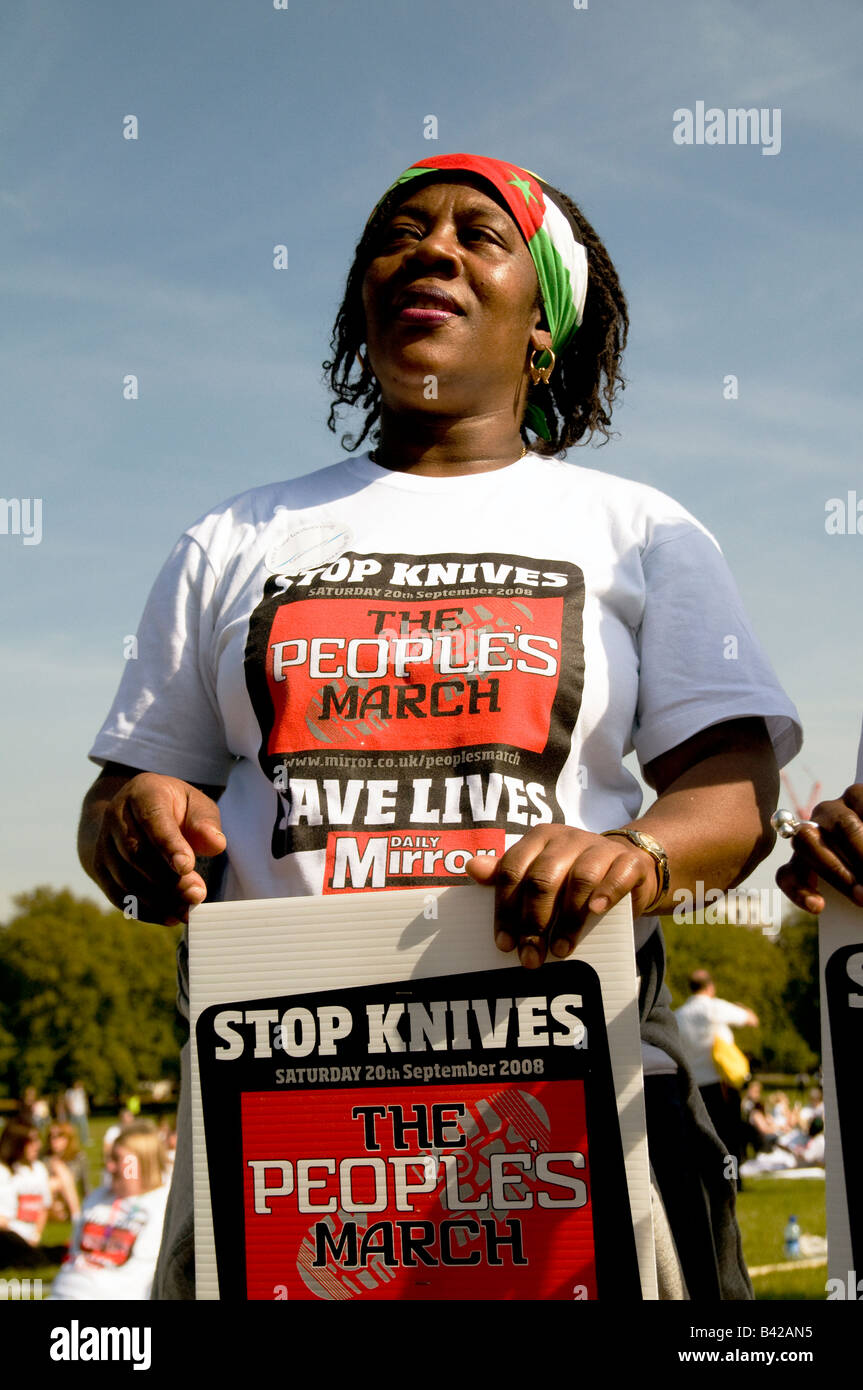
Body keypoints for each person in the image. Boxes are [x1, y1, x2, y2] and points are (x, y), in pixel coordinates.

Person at [78, 152, 802, 1301]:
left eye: (479, 234)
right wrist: (138, 822)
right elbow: (119, 802)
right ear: (362, 304)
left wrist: (636, 853)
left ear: (541, 328)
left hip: (569, 1078)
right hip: (282, 1112)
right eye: (401, 232)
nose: (432, 248)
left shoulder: (641, 529)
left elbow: (733, 790)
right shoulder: (233, 535)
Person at [49, 1123, 170, 1301]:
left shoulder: (163, 1206)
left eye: (117, 1159)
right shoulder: (97, 1198)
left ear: (142, 1162)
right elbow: (74, 1255)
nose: (109, 1166)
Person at [674, 969, 758, 1186]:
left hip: (694, 1084)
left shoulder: (679, 1016)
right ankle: (732, 1179)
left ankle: (708, 1179)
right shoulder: (715, 1008)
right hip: (720, 1084)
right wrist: (743, 1009)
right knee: (729, 1135)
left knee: (702, 1134)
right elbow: (750, 1020)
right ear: (710, 987)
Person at [0, 1121, 68, 1269]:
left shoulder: (39, 1169)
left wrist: (35, 1235)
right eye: (31, 1141)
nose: (37, 1145)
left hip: (26, 1240)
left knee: (40, 1255)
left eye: (37, 1140)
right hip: (7, 1235)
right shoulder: (4, 1171)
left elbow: (43, 1208)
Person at [44, 1123, 88, 1221]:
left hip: (65, 1202)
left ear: (68, 1138)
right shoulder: (45, 1159)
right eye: (51, 1137)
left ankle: (72, 1213)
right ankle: (76, 1214)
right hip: (48, 1199)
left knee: (60, 1173)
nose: (54, 1141)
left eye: (59, 1136)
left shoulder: (78, 1158)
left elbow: (85, 1185)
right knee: (57, 1178)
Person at [64, 1081, 90, 1148]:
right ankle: (69, 1140)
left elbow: (84, 1101)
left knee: (84, 1127)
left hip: (81, 1112)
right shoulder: (70, 1092)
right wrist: (71, 1110)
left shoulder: (81, 1091)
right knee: (71, 1128)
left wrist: (86, 1109)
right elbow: (68, 1102)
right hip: (74, 1113)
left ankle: (85, 1140)